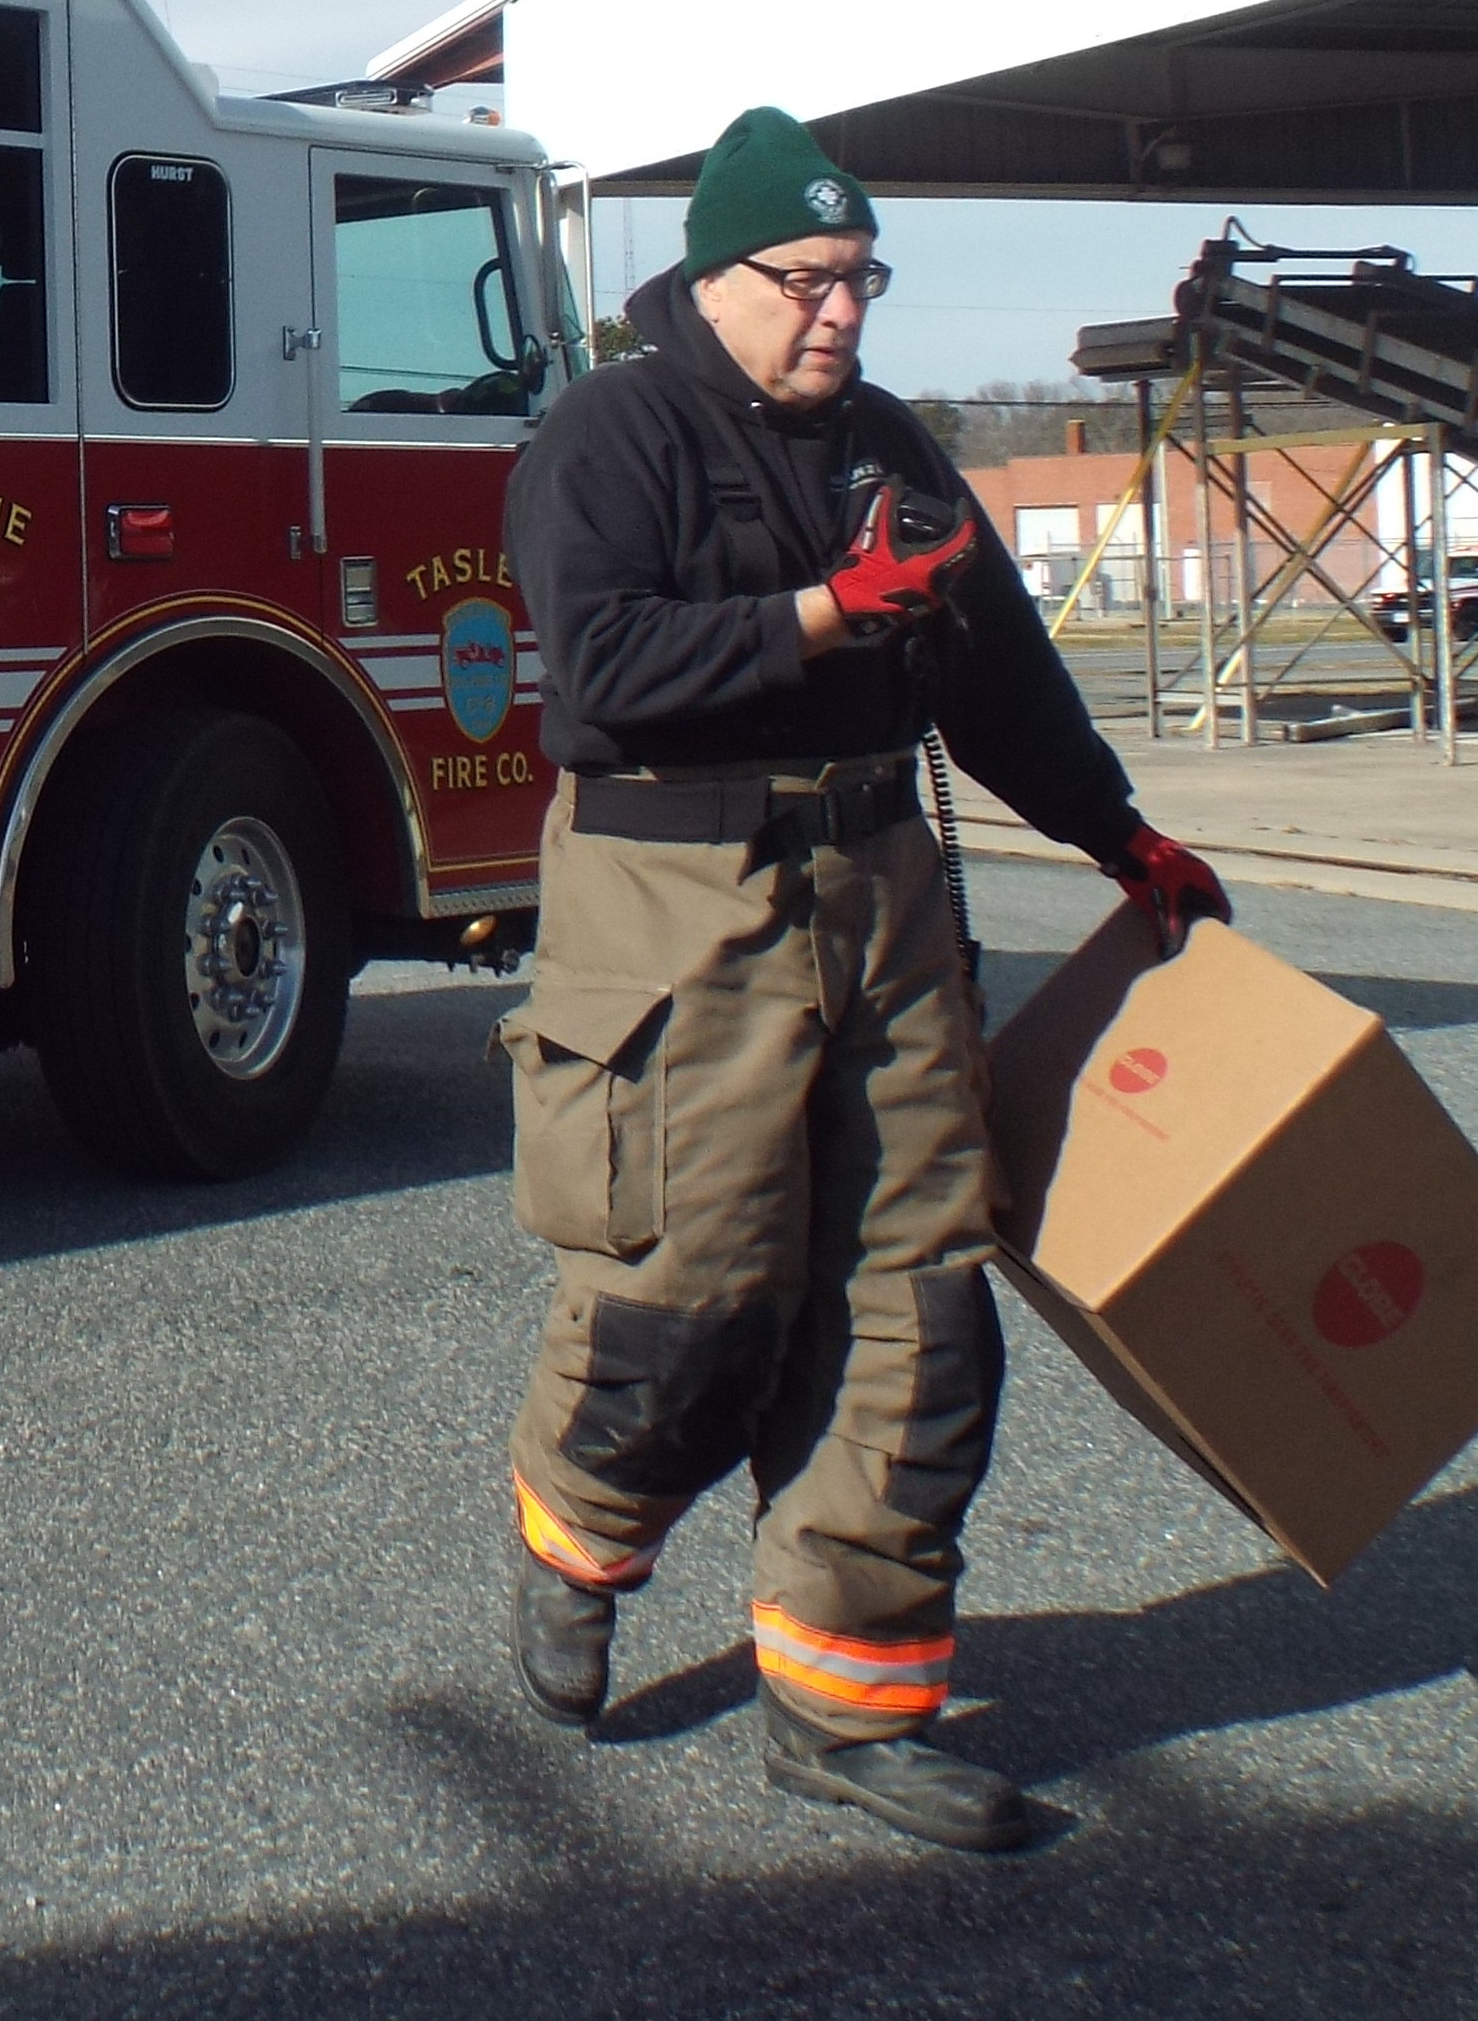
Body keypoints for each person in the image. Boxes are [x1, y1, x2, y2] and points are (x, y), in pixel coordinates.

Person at [495, 106, 1225, 1852]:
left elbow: (1000, 673)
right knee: (700, 1295)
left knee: (916, 1296)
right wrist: (824, 616)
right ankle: (576, 1525)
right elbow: (598, 675)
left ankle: (846, 1704)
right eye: (809, 281)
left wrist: (1120, 836)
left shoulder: (890, 445)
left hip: (883, 889)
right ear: (716, 274)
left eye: (862, 280)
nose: (841, 314)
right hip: (679, 900)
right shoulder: (604, 435)